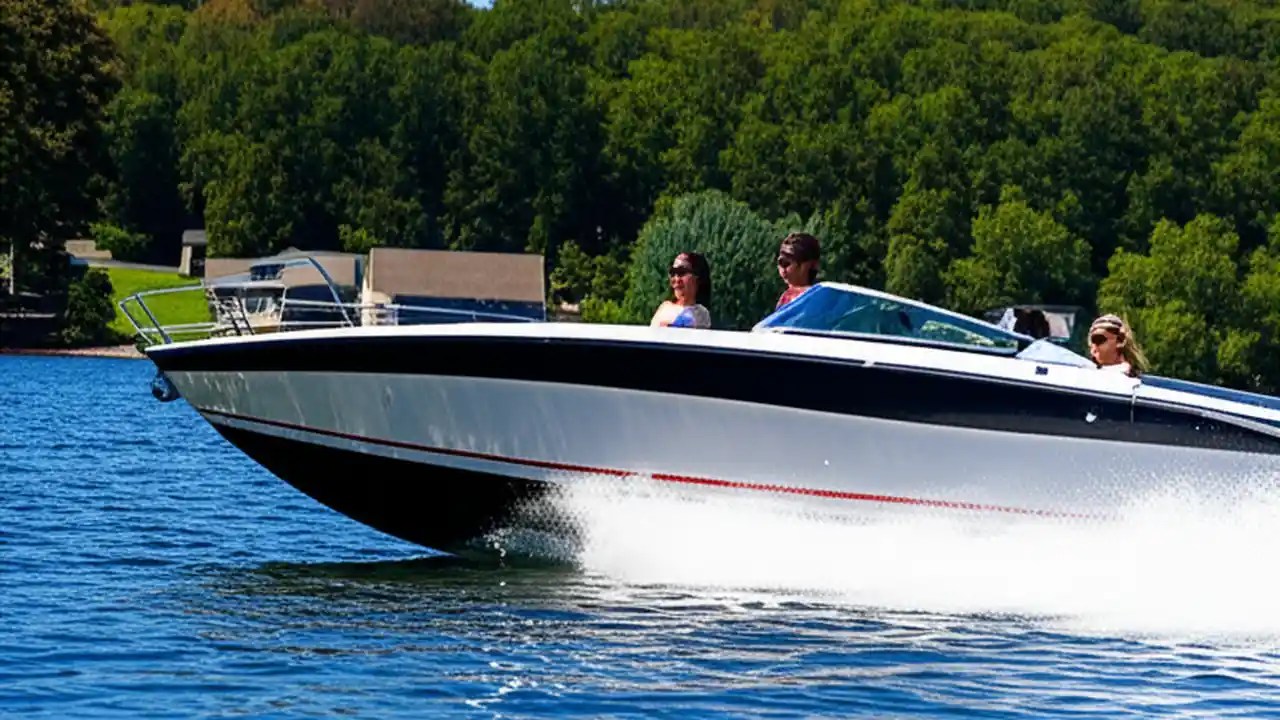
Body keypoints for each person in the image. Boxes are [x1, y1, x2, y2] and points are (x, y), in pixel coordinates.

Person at [650, 252, 711, 328]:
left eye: (682, 272)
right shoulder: (664, 309)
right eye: (672, 273)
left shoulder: (701, 314)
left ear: (698, 277)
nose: (676, 279)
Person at [775, 232, 820, 309]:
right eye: (780, 262)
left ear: (807, 265)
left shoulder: (788, 298)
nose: (782, 268)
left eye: (787, 263)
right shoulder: (822, 295)